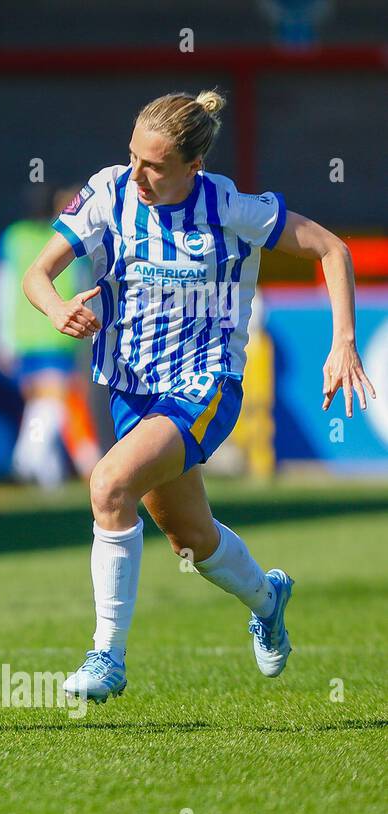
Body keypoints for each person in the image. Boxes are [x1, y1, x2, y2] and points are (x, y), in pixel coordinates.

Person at [22, 90, 375, 702]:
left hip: (204, 384)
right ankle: (268, 598)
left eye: (154, 165)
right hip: (132, 387)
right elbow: (37, 274)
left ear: (193, 167)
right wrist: (58, 310)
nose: (138, 174)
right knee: (191, 537)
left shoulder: (231, 207)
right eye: (132, 157)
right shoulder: (108, 192)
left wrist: (342, 341)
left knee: (108, 485)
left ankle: (107, 655)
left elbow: (331, 248)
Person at [0, 185, 100, 488]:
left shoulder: (13, 237)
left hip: (27, 334)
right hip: (56, 331)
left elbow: (1, 288)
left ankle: (43, 472)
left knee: (48, 401)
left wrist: (0, 335)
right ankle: (29, 459)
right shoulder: (65, 239)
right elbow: (82, 283)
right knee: (53, 402)